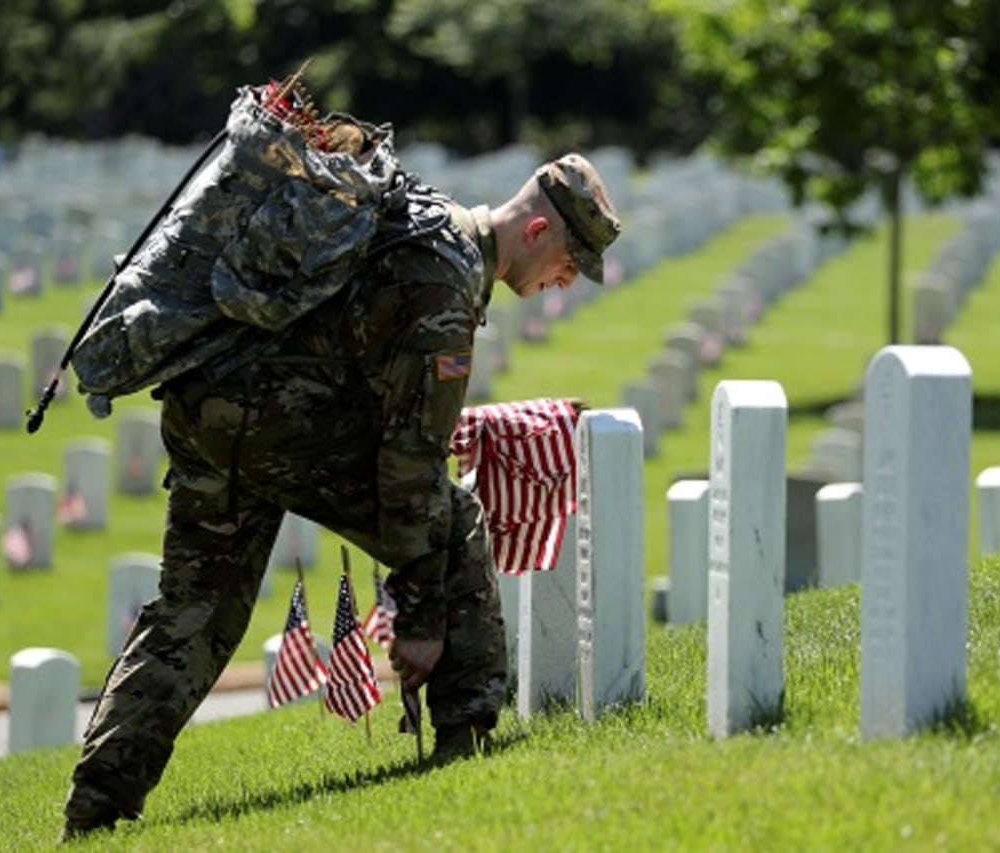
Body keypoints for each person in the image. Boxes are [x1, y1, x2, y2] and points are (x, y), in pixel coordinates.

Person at [60, 152, 622, 839]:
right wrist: (420, 622)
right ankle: (465, 741)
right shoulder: (445, 281)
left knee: (194, 613)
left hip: (205, 409)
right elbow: (411, 461)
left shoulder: (424, 225)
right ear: (537, 231)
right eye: (569, 263)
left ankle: (95, 808)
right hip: (281, 425)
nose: (563, 284)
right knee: (454, 520)